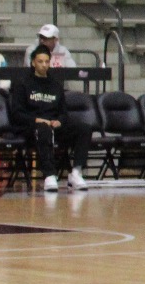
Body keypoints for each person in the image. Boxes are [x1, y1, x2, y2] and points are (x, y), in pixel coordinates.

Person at [11, 46, 91, 191]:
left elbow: (63, 112)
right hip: (31, 127)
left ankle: (76, 172)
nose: (44, 65)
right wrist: (37, 120)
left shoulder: (55, 85)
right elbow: (17, 114)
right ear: (33, 62)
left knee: (84, 128)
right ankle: (49, 174)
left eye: (47, 62)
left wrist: (59, 121)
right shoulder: (22, 84)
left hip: (53, 125)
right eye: (40, 61)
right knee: (43, 129)